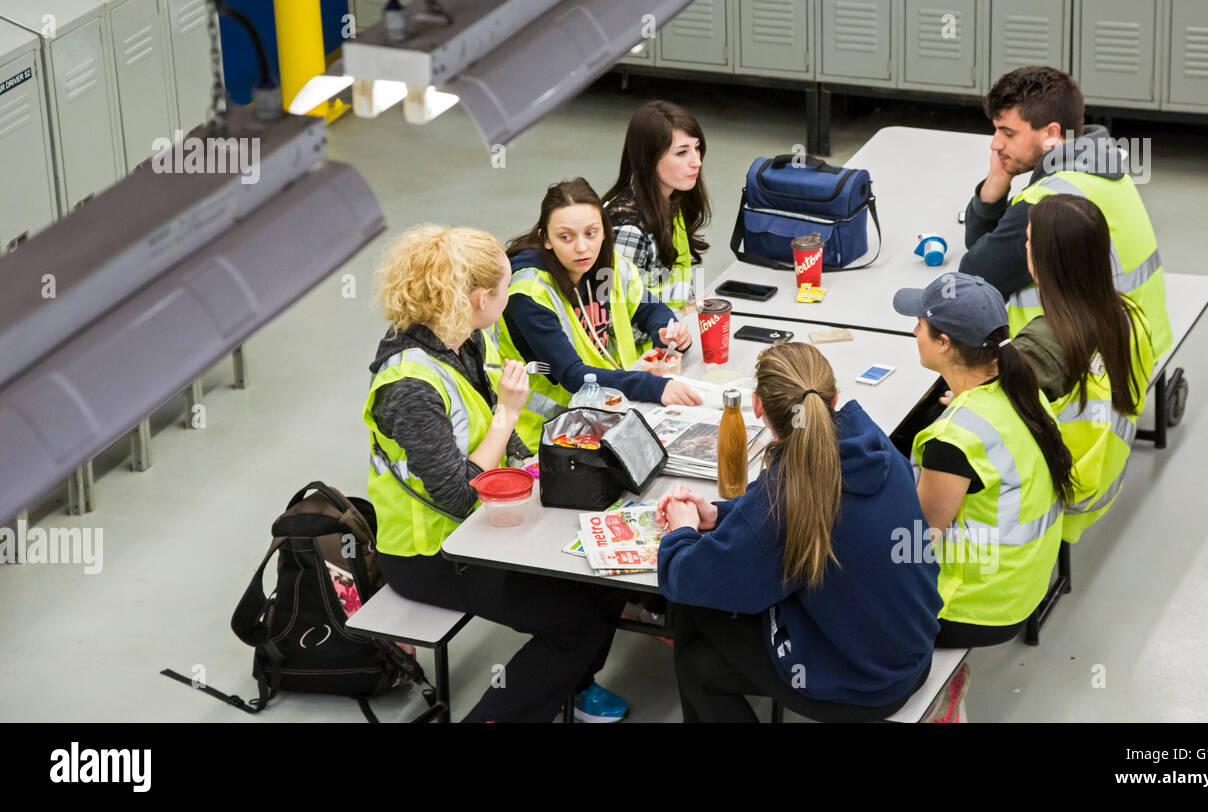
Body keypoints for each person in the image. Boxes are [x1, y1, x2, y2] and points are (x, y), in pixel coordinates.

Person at [363, 224, 629, 722]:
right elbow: (463, 496)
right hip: (435, 553)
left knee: (609, 582)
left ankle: (572, 684)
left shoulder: (463, 341)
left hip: (488, 527)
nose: (511, 295)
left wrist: (543, 458)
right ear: (481, 297)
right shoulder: (409, 387)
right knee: (575, 624)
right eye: (508, 287)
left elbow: (496, 431)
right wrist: (509, 414)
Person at [655, 342, 943, 722]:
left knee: (694, 646)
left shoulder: (787, 493)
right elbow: (770, 526)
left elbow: (687, 577)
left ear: (757, 406)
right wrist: (718, 514)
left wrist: (682, 529)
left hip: (865, 686)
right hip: (912, 652)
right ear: (835, 398)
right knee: (701, 653)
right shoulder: (877, 448)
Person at [894, 272, 1074, 648]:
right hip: (1022, 586)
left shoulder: (954, 440)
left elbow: (917, 538)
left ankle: (935, 699)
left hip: (970, 608)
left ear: (943, 343)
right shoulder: (1024, 391)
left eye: (921, 325)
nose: (914, 332)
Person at [958, 65, 1172, 358]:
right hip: (1141, 340)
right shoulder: (1102, 165)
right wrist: (997, 180)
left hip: (1091, 370)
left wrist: (995, 189)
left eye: (1008, 133)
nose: (996, 144)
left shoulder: (1048, 201)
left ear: (1051, 133)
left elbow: (975, 276)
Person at [500, 178, 701, 451]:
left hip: (607, 408)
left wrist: (668, 331)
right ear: (545, 239)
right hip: (548, 433)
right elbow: (572, 375)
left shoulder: (608, 267)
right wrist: (654, 387)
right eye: (566, 237)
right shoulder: (529, 292)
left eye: (591, 233)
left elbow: (650, 308)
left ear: (605, 232)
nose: (582, 247)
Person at [1015, 195, 1155, 543]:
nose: (1025, 246)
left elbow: (993, 423)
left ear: (1046, 260)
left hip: (1053, 506)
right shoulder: (1127, 316)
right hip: (1103, 475)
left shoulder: (1043, 343)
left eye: (1030, 239)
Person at [602, 100, 711, 312]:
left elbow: (664, 286)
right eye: (681, 153)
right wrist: (680, 316)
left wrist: (689, 304)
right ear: (648, 159)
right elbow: (614, 317)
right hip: (651, 342)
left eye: (697, 148)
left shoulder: (670, 201)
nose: (696, 161)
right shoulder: (628, 229)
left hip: (670, 337)